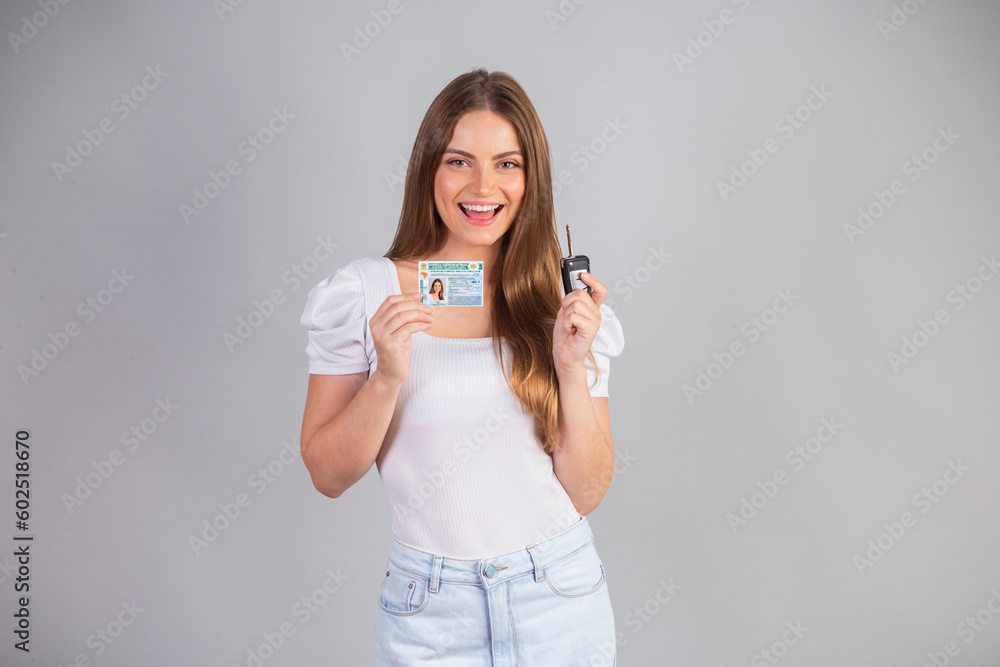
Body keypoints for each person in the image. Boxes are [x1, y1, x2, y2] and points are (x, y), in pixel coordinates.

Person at [299, 68, 624, 665]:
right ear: (428, 169)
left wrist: (571, 369)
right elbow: (328, 474)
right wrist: (388, 377)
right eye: (458, 161)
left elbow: (586, 490)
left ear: (532, 179)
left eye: (507, 163)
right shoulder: (364, 293)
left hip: (558, 598)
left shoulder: (562, 300)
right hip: (430, 612)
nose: (482, 185)